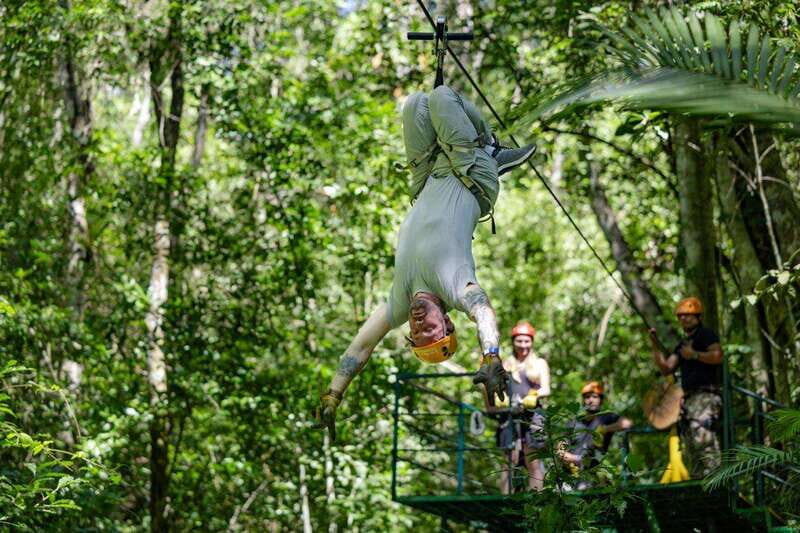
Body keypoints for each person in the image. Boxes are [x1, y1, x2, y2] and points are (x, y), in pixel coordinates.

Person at [314, 85, 536, 441]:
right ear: (447, 322)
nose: (419, 326)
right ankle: (493, 149)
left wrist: (334, 394)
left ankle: (473, 144)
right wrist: (490, 356)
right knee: (441, 97)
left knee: (414, 105)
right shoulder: (456, 285)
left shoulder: (400, 303)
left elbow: (360, 347)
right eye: (430, 331)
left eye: (417, 336)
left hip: (428, 177)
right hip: (471, 172)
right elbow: (483, 311)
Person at [648, 297, 724, 478]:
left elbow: (718, 355)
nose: (684, 319)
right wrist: (654, 344)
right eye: (681, 316)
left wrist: (695, 354)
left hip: (706, 395)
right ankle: (700, 486)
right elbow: (667, 367)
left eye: (688, 316)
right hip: (689, 398)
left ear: (698, 317)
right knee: (692, 444)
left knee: (703, 438)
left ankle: (716, 483)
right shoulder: (682, 344)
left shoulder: (706, 335)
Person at [492, 321, 550, 492]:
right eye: (519, 341)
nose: (523, 345)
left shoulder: (539, 363)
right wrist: (499, 398)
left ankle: (537, 500)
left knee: (533, 460)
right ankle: (506, 501)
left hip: (532, 414)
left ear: (532, 342)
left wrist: (533, 395)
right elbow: (497, 388)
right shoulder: (506, 364)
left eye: (527, 341)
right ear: (513, 342)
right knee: (508, 460)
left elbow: (546, 388)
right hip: (510, 413)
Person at [558, 381, 632, 490]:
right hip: (570, 474)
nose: (591, 400)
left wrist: (605, 429)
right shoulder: (573, 422)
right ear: (583, 400)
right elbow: (560, 450)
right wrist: (578, 459)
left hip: (593, 474)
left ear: (601, 399)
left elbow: (627, 423)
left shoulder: (606, 418)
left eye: (595, 396)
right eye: (587, 397)